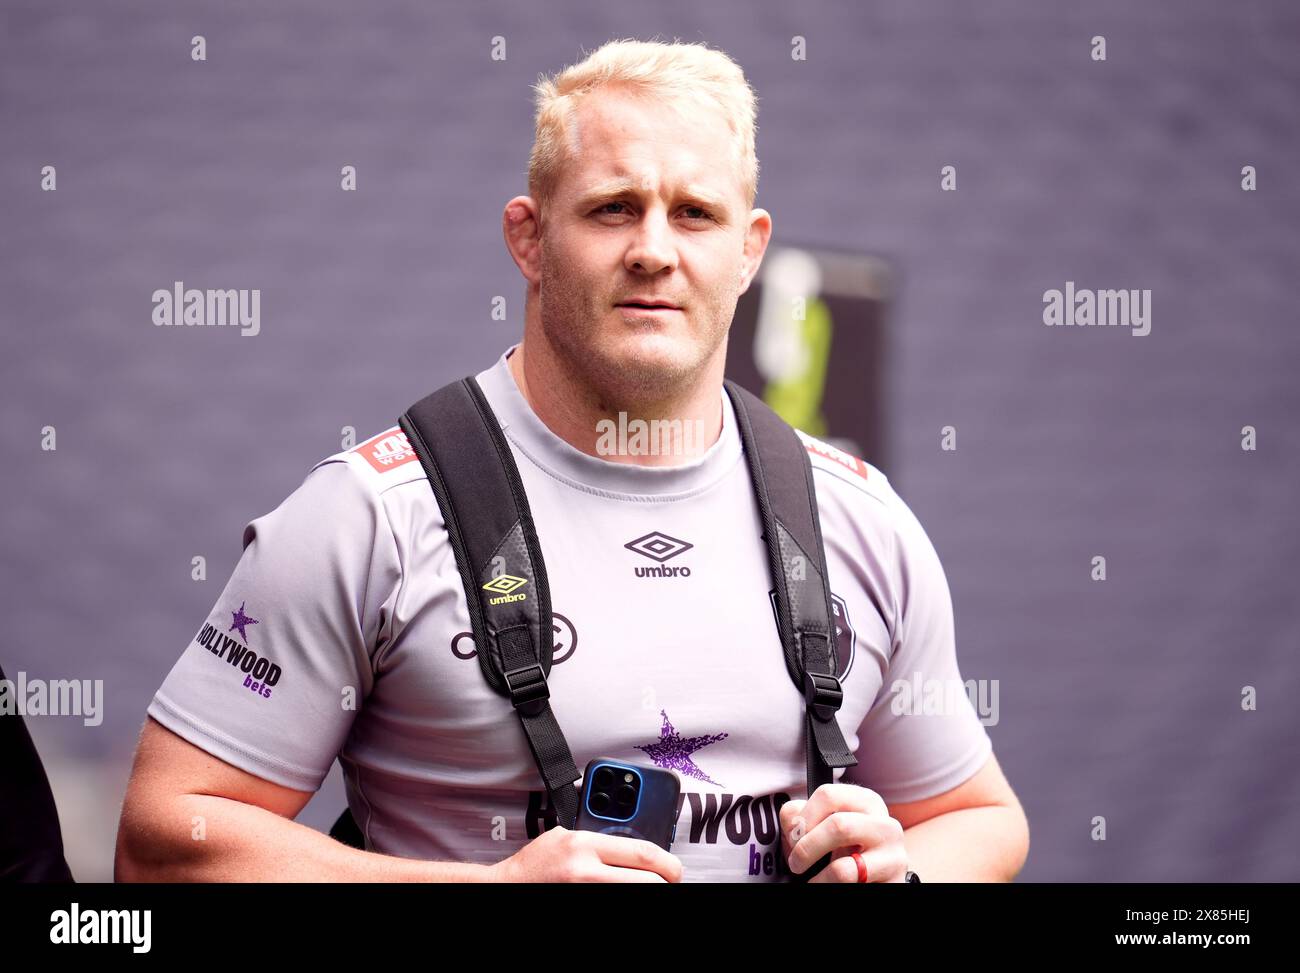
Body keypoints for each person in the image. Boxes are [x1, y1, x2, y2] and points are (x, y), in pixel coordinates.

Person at [116, 39, 1028, 883]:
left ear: (749, 250)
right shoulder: (372, 515)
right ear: (529, 237)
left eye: (696, 214)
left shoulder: (858, 519)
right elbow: (165, 842)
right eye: (612, 208)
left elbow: (980, 818)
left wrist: (897, 871)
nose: (655, 251)